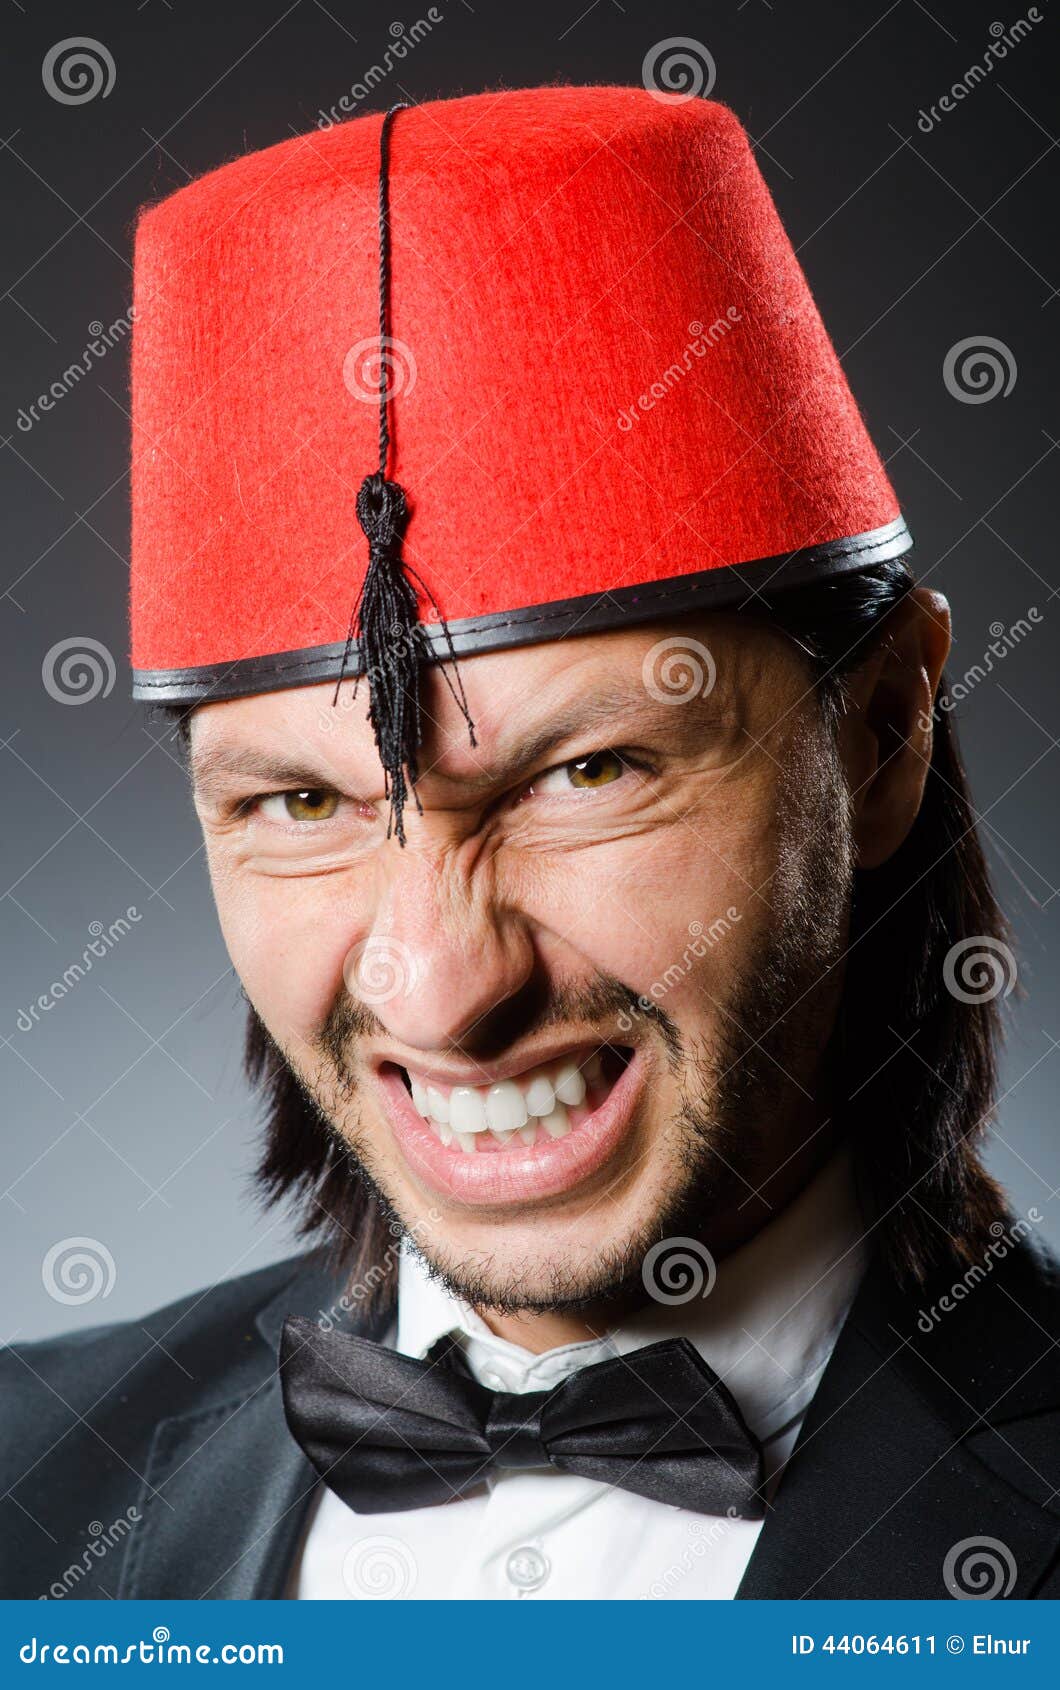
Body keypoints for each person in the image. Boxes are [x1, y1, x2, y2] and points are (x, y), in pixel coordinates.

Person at [4, 84, 1058, 1603]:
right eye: (301, 805)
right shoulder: (28, 1484)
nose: (440, 991)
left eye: (588, 771)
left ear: (881, 732)